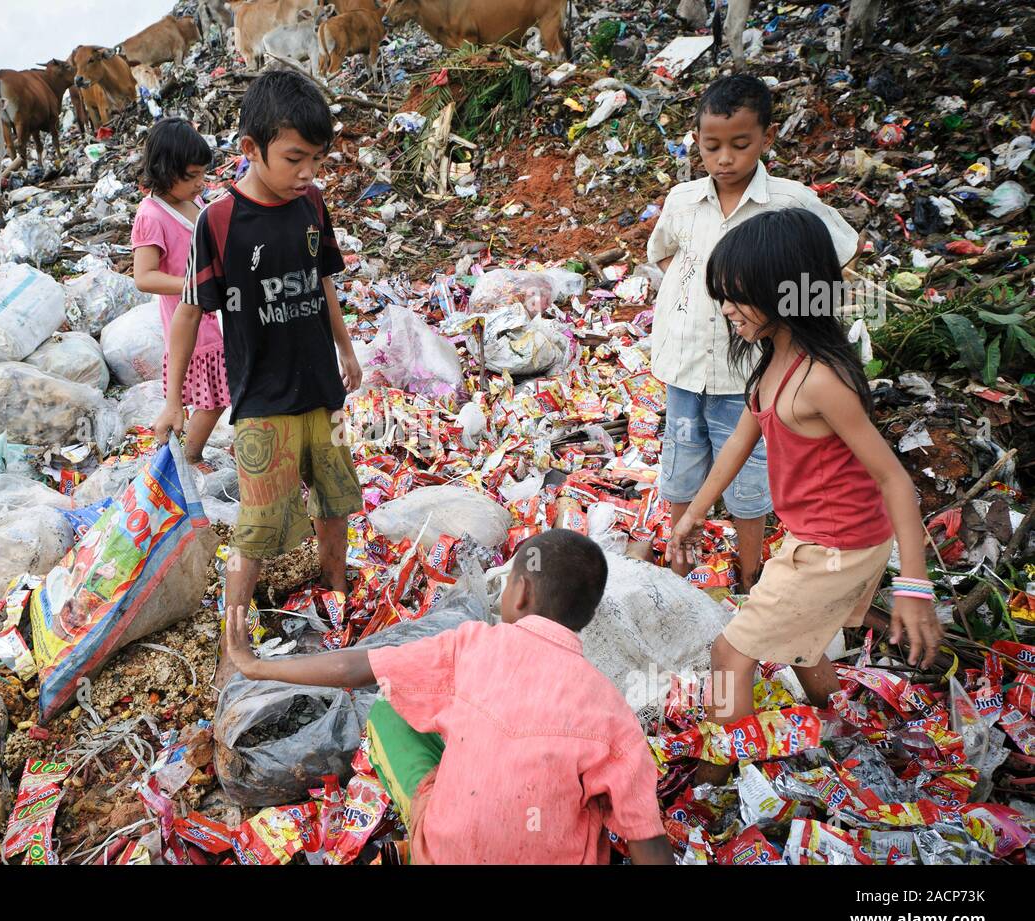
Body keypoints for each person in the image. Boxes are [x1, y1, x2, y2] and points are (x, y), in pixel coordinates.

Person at [667, 208, 943, 785]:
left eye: (738, 297)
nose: (726, 310)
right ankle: (834, 721)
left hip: (834, 546)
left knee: (728, 656)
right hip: (822, 537)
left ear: (785, 293)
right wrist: (693, 514)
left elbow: (896, 480)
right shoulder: (774, 363)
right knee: (804, 636)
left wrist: (915, 587)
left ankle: (722, 776)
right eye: (722, 296)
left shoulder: (821, 379)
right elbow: (739, 446)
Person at [224, 529, 675, 865]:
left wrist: (255, 665)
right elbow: (647, 838)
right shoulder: (612, 711)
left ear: (519, 592)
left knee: (387, 710)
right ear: (588, 615)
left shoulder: (472, 645)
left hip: (444, 853)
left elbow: (355, 667)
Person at [162, 70, 363, 627]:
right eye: (295, 157)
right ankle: (234, 635)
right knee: (257, 523)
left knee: (336, 498)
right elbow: (187, 312)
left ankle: (337, 593)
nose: (307, 172)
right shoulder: (219, 221)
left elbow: (323, 282)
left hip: (324, 391)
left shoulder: (312, 205)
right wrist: (172, 399)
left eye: (317, 160)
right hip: (261, 401)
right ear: (251, 148)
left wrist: (346, 350)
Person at [647, 73, 860, 592]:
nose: (725, 159)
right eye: (712, 146)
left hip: (748, 372)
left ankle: (748, 570)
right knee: (681, 462)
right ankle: (681, 562)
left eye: (740, 145)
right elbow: (664, 254)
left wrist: (793, 321)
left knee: (748, 476)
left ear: (766, 138)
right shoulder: (683, 200)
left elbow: (839, 255)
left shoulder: (789, 203)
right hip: (682, 366)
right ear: (695, 140)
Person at [135, 119, 229, 465]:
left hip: (212, 312)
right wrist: (195, 284)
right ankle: (189, 455)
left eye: (201, 175)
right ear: (165, 170)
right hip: (188, 319)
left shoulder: (194, 201)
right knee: (215, 398)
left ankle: (181, 449)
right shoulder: (151, 214)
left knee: (213, 393)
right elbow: (144, 277)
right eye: (191, 176)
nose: (199, 183)